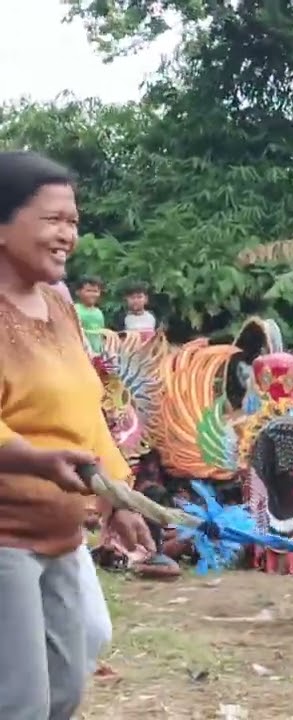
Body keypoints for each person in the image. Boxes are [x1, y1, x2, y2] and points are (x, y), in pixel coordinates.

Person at [0, 150, 149, 719]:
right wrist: (36, 462)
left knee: (66, 684)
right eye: (53, 219)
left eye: (74, 222)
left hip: (60, 533)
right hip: (6, 535)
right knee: (21, 702)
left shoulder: (61, 307)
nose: (68, 234)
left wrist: (118, 496)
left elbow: (88, 411)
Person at [72, 276, 106, 354]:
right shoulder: (74, 310)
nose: (92, 294)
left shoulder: (98, 312)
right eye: (88, 291)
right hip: (81, 352)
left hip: (98, 352)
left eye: (95, 291)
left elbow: (101, 334)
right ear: (78, 292)